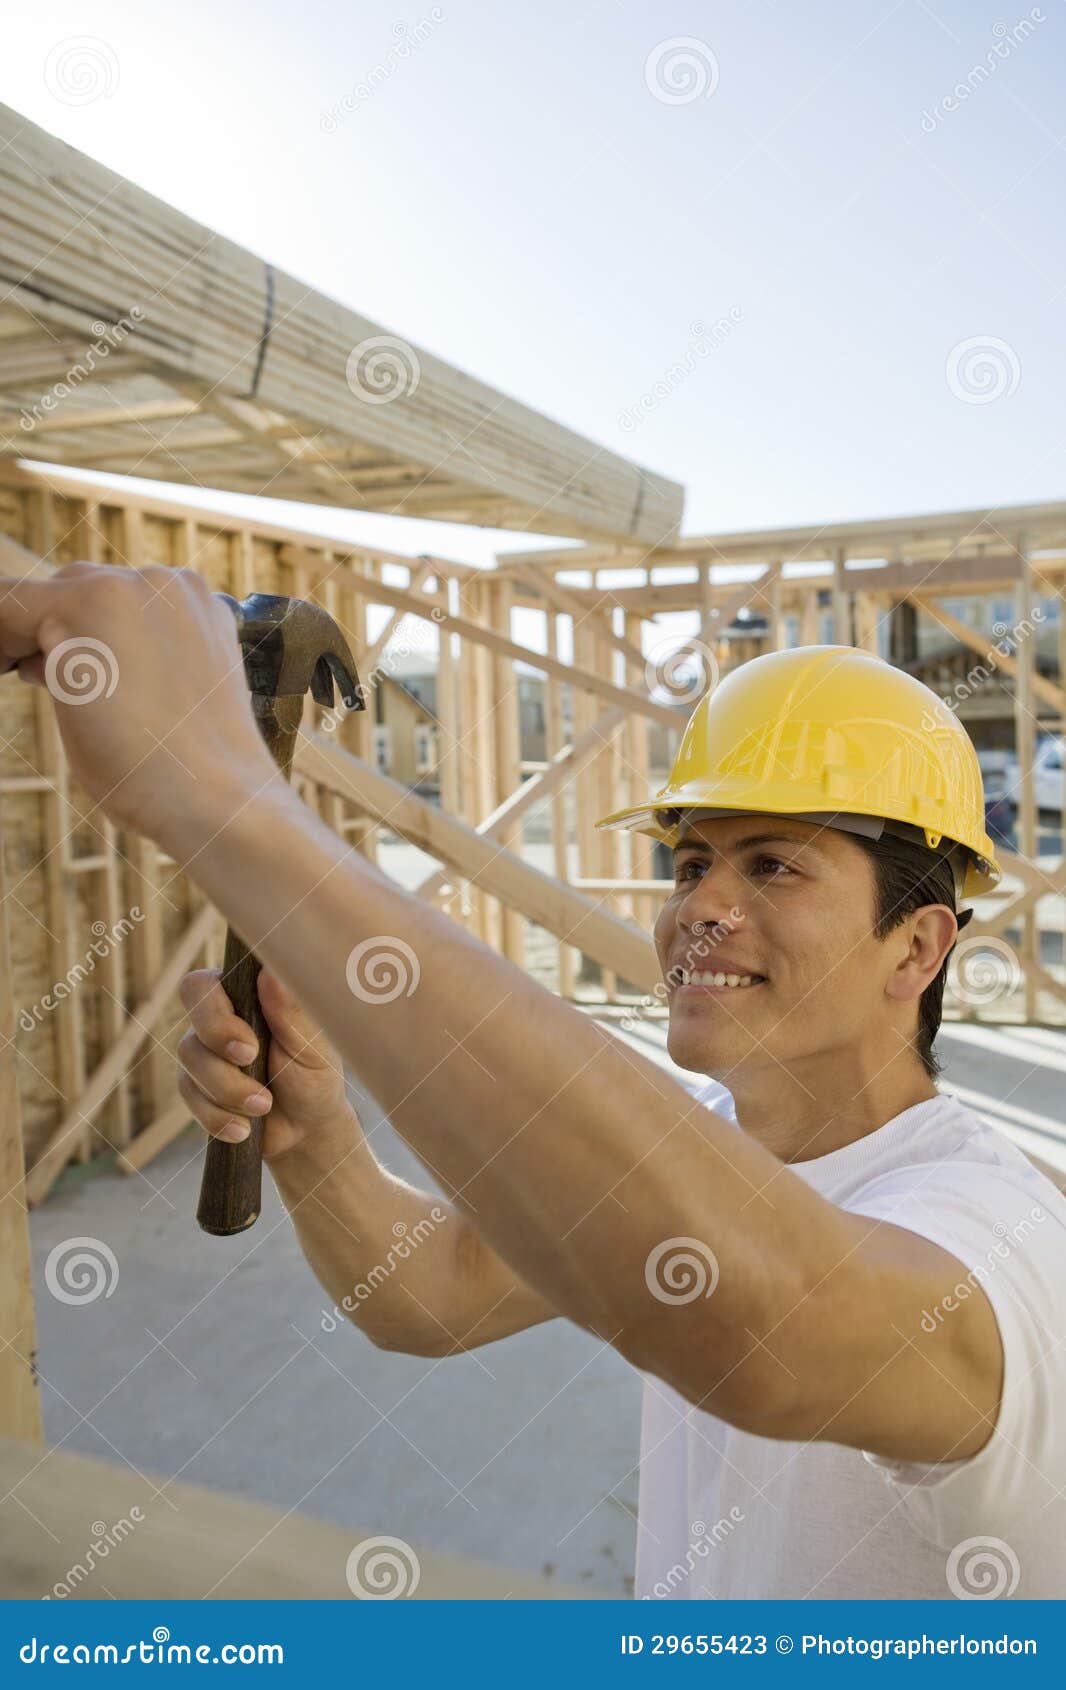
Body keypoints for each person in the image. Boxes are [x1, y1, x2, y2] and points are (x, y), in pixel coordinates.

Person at [2, 564, 1065, 1600]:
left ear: (917, 948)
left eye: (771, 865)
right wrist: (314, 1134)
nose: (700, 905)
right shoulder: (715, 1139)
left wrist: (223, 797)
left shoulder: (993, 1230)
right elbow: (437, 1291)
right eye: (691, 864)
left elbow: (765, 1320)